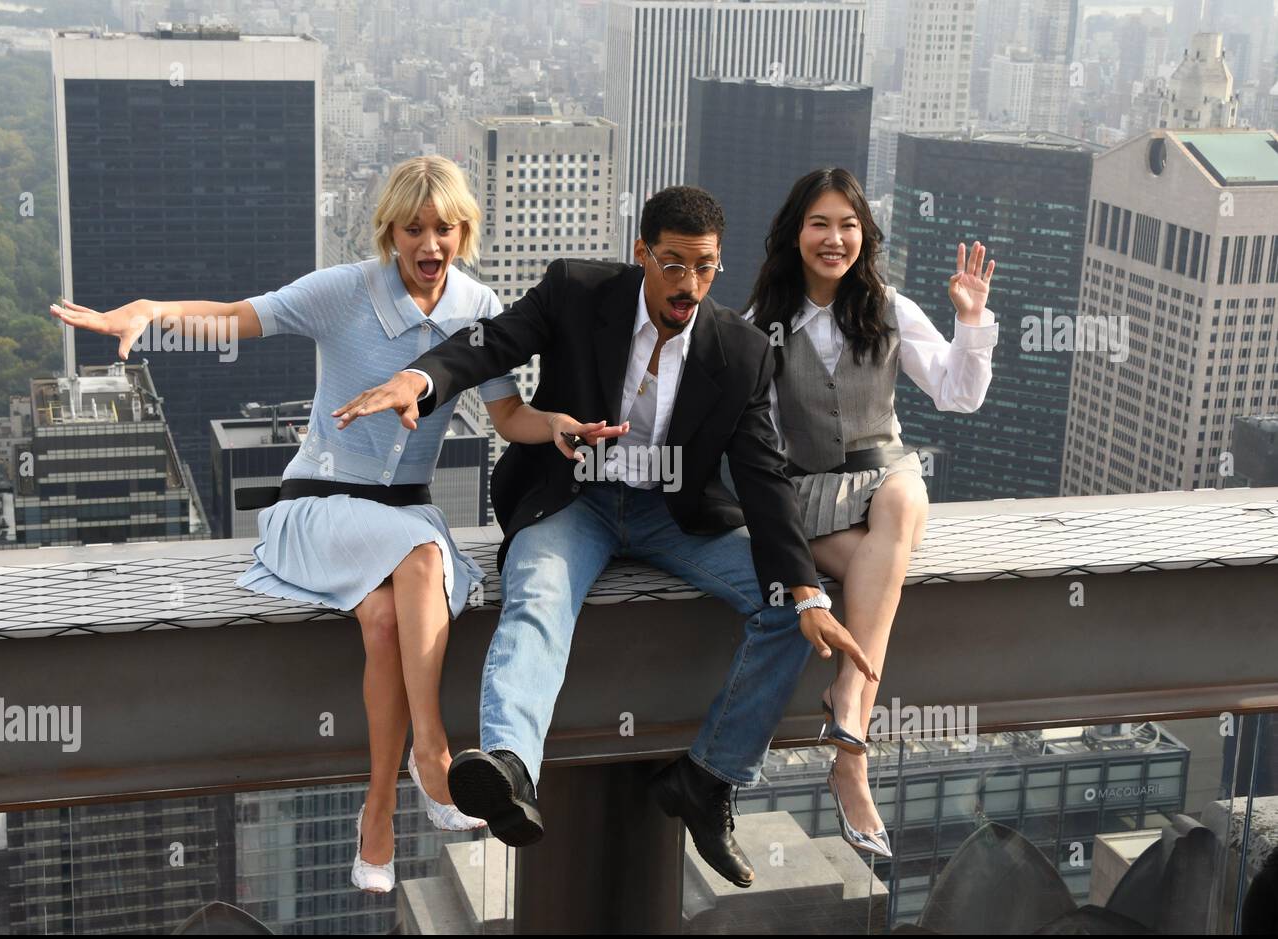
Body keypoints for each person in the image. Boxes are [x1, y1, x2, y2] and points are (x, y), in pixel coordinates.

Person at [330, 185, 878, 888]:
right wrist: (420, 378)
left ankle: (710, 778)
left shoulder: (740, 351)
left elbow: (763, 475)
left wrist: (805, 589)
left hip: (675, 516)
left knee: (788, 609)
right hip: (576, 497)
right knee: (538, 597)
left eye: (705, 268)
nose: (689, 285)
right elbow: (491, 343)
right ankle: (510, 768)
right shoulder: (577, 290)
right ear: (642, 253)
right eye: (673, 264)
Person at [48, 155, 564, 894]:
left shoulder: (481, 309)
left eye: (444, 228)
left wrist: (562, 428)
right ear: (390, 231)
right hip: (318, 507)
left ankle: (377, 814)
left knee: (386, 619)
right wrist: (152, 312)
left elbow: (509, 416)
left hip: (402, 516)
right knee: (421, 553)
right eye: (413, 227)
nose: (430, 242)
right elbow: (238, 317)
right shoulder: (345, 290)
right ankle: (435, 757)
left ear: (465, 232)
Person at [744, 167, 998, 857]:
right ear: (795, 234)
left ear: (866, 234)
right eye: (820, 223)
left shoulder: (889, 307)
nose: (835, 238)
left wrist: (970, 320)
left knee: (905, 490)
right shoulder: (759, 329)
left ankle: (851, 720)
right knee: (883, 568)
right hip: (807, 498)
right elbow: (759, 451)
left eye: (848, 225)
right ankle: (848, 733)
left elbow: (956, 393)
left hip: (882, 477)